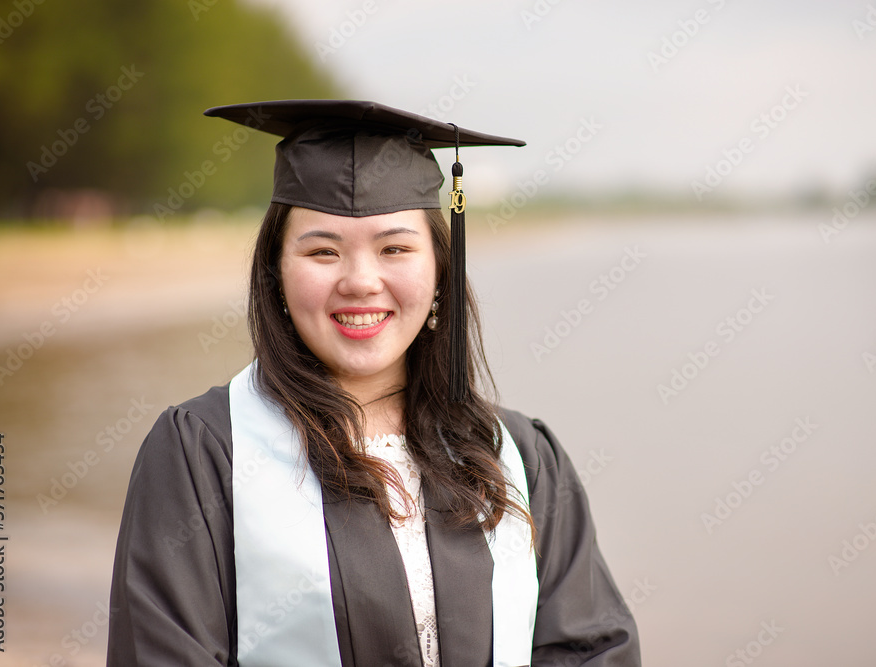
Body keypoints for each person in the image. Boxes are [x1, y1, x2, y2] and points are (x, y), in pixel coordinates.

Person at [107, 100, 641, 666]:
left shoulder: (520, 456)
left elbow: (590, 648)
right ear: (275, 273)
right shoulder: (204, 451)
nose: (361, 281)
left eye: (394, 249)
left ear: (439, 271)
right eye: (322, 251)